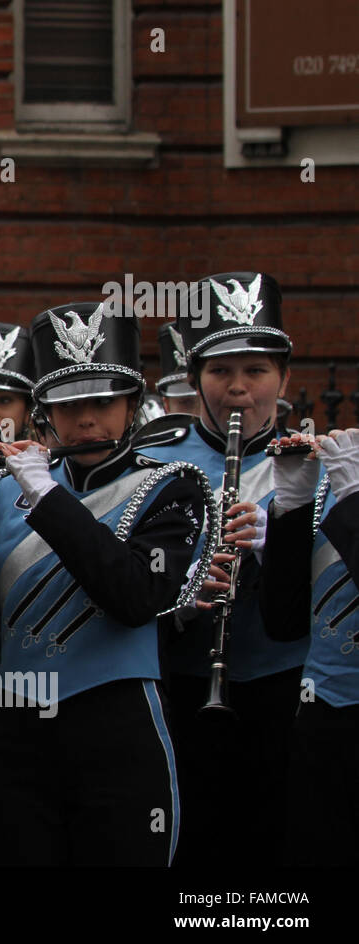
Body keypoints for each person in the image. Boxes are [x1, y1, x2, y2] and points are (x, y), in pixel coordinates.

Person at [0, 301, 207, 865]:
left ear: (132, 405)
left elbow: (134, 597)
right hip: (18, 727)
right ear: (47, 412)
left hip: (119, 722)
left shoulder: (171, 486)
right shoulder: (0, 492)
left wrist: (48, 499)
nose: (88, 421)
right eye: (71, 406)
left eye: (103, 402)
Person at [138, 272, 305, 867]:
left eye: (255, 372)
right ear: (195, 379)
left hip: (277, 684)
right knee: (187, 837)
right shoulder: (153, 459)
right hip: (177, 680)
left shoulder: (316, 466)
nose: (238, 390)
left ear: (283, 380)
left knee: (269, 837)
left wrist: (276, 542)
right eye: (220, 372)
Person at [259, 427, 359, 863]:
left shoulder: (348, 482)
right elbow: (285, 621)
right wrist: (294, 506)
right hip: (325, 716)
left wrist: (354, 498)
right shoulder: (340, 477)